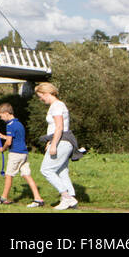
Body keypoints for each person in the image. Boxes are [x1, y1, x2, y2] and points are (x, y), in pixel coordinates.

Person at [0, 103, 44, 207]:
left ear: (6, 113)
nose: (1, 118)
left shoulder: (9, 125)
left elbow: (9, 142)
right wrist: (2, 136)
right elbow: (15, 138)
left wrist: (3, 149)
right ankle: (38, 199)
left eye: (1, 116)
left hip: (15, 154)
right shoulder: (19, 124)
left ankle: (3, 198)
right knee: (27, 175)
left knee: (9, 175)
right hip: (24, 153)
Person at [34, 82, 78, 210]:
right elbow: (54, 127)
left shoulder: (57, 106)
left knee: (46, 170)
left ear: (46, 93)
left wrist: (53, 145)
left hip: (61, 142)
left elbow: (59, 127)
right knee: (61, 171)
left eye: (40, 96)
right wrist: (49, 141)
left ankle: (67, 198)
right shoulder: (57, 105)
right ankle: (71, 199)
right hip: (61, 141)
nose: (40, 99)